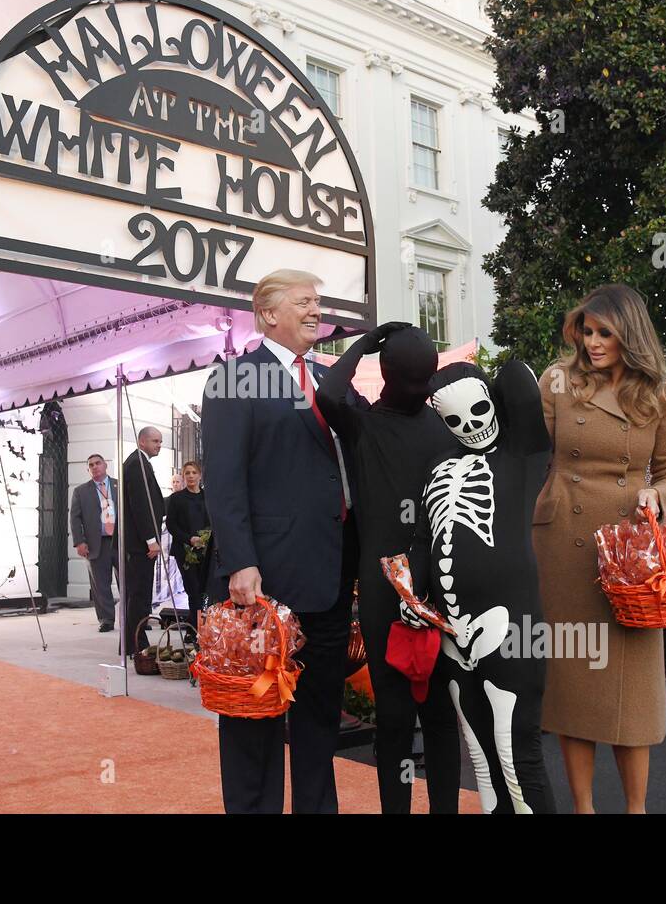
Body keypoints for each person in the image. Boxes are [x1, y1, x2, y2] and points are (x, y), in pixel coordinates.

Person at [201, 268, 357, 814]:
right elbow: (224, 481)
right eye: (304, 303)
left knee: (319, 716)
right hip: (267, 582)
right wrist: (240, 561)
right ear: (268, 313)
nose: (317, 311)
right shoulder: (234, 378)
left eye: (319, 301)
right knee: (255, 716)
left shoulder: (329, 379)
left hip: (333, 577)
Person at [533, 283, 666, 814]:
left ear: (630, 335)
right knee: (573, 683)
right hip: (561, 545)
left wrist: (657, 496)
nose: (592, 343)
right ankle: (583, 808)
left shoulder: (660, 392)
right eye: (587, 332)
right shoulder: (558, 381)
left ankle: (635, 809)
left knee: (631, 690)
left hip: (627, 552)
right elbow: (531, 453)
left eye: (605, 333)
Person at [316, 321, 461, 814]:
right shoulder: (446, 431)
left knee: (396, 718)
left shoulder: (363, 425)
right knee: (440, 714)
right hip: (440, 584)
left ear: (385, 374)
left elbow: (330, 388)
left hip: (384, 588)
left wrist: (366, 340)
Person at [407, 358, 557, 814]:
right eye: (455, 420)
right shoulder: (437, 465)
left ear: (493, 403)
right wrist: (415, 595)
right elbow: (422, 538)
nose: (470, 427)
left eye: (478, 411)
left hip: (511, 622)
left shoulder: (523, 455)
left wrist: (472, 379)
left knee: (516, 751)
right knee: (480, 754)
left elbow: (520, 382)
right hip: (453, 628)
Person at [122, 427, 165, 657]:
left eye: (160, 441)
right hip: (139, 544)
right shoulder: (137, 463)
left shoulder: (140, 462)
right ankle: (135, 644)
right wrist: (151, 540)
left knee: (138, 595)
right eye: (155, 441)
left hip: (139, 543)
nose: (159, 445)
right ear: (141, 441)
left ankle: (133, 642)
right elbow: (140, 505)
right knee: (138, 595)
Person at [70, 453, 118, 634]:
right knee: (100, 583)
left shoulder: (118, 486)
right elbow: (75, 519)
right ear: (88, 469)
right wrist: (79, 542)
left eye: (98, 463)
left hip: (119, 540)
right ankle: (106, 619)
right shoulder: (81, 491)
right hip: (96, 542)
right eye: (91, 465)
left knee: (127, 582)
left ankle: (133, 617)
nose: (95, 467)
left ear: (105, 465)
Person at [165, 460, 211, 622]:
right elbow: (171, 524)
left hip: (206, 551)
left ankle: (198, 625)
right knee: (193, 589)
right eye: (187, 473)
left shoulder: (209, 496)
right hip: (184, 551)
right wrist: (189, 539)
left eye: (194, 472)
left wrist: (207, 539)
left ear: (200, 475)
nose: (191, 476)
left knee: (205, 589)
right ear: (183, 477)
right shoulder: (176, 498)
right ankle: (196, 628)